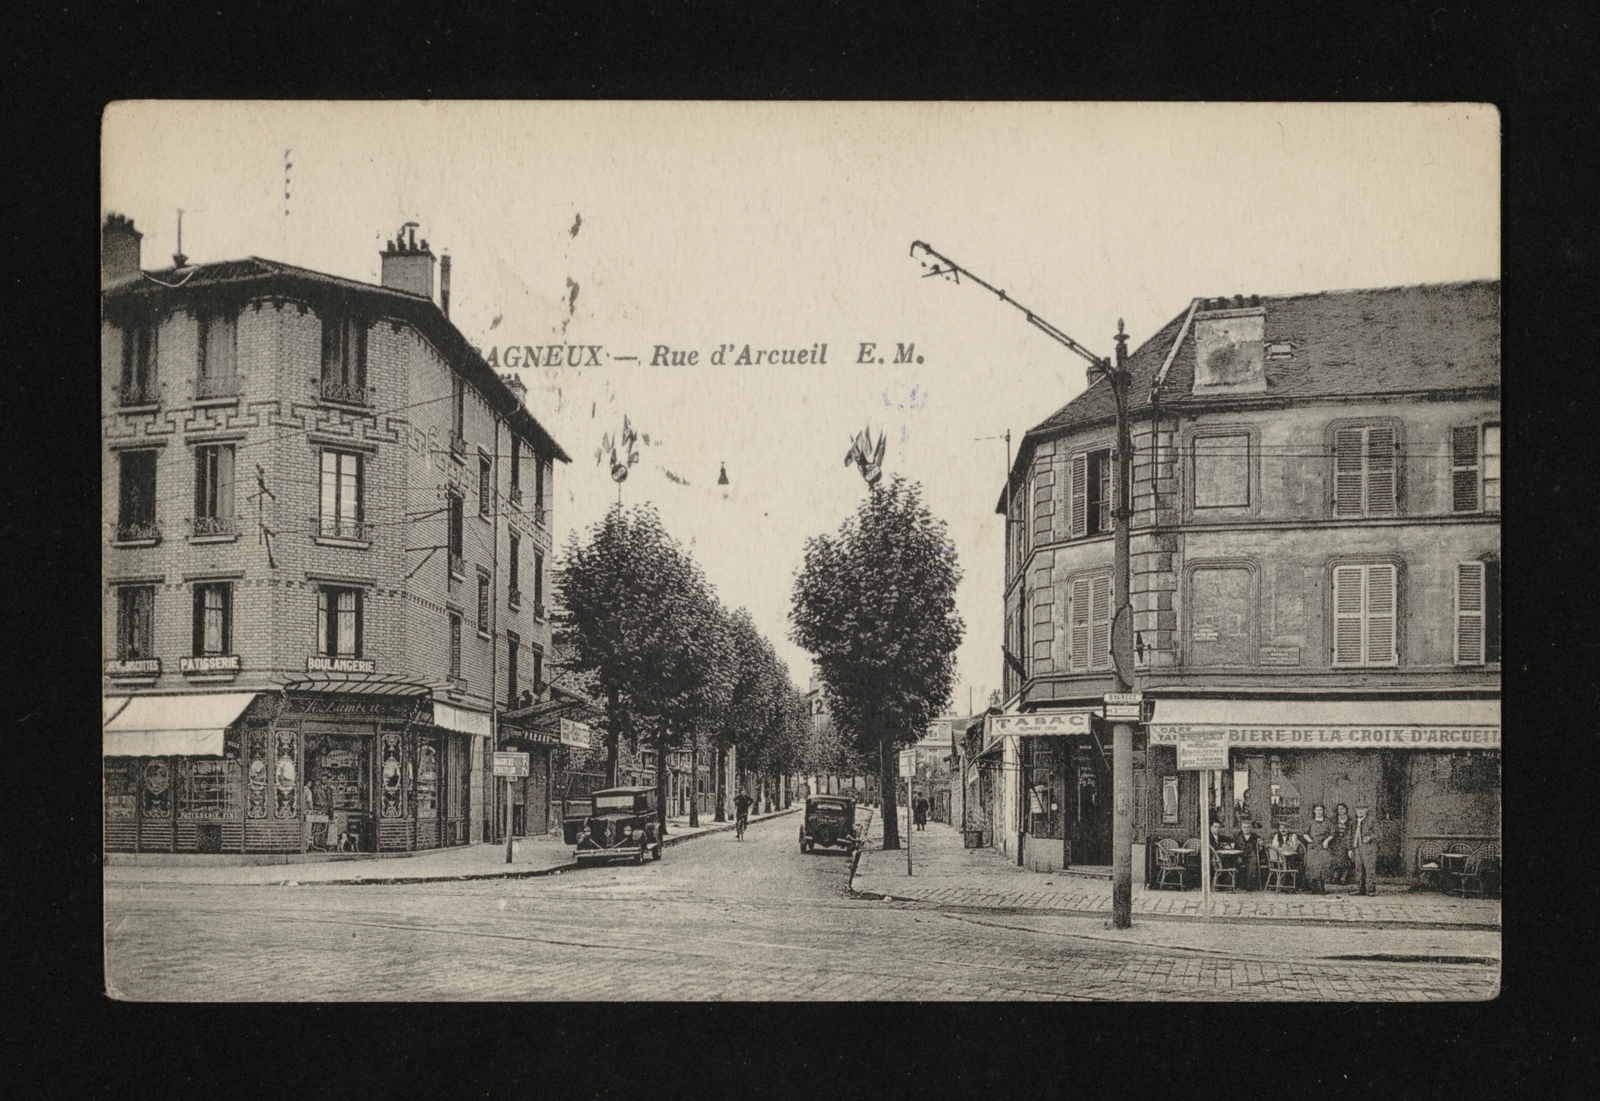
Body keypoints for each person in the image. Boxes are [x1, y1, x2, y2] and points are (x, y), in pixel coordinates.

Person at [1302, 804, 1333, 894]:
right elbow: (1304, 833)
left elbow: (1332, 833)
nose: (1319, 812)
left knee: (1323, 866)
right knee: (1313, 866)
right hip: (1313, 846)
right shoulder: (1310, 822)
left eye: (1320, 810)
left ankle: (1322, 887)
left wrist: (1326, 841)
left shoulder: (1327, 822)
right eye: (1317, 810)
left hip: (1323, 846)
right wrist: (1310, 841)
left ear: (1323, 811)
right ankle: (1314, 888)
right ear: (1314, 811)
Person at [1351, 805, 1378, 896]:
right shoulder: (1354, 822)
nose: (1360, 811)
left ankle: (1371, 890)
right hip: (1357, 848)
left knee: (1369, 868)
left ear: (1366, 810)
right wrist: (1350, 849)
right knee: (1358, 868)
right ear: (1355, 810)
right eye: (1358, 809)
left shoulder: (1371, 821)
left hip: (1368, 848)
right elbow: (1350, 835)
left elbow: (1379, 834)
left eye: (1362, 809)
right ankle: (1360, 889)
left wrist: (1370, 837)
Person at [1328, 803, 1355, 888]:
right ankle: (1335, 876)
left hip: (1347, 840)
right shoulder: (1334, 820)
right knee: (1337, 858)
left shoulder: (1350, 820)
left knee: (1346, 859)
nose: (1341, 811)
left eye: (1342, 809)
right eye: (1339, 809)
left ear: (1346, 809)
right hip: (1336, 841)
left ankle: (1344, 877)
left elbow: (1351, 832)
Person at [1235, 819, 1265, 891]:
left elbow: (1261, 844)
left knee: (1252, 862)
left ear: (1251, 828)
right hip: (1240, 856)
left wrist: (1260, 843)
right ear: (1241, 828)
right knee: (1238, 863)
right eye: (1244, 827)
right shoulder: (1237, 837)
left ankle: (1250, 885)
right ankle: (1240, 885)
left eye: (1248, 827)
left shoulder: (1255, 837)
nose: (1246, 829)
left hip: (1251, 857)